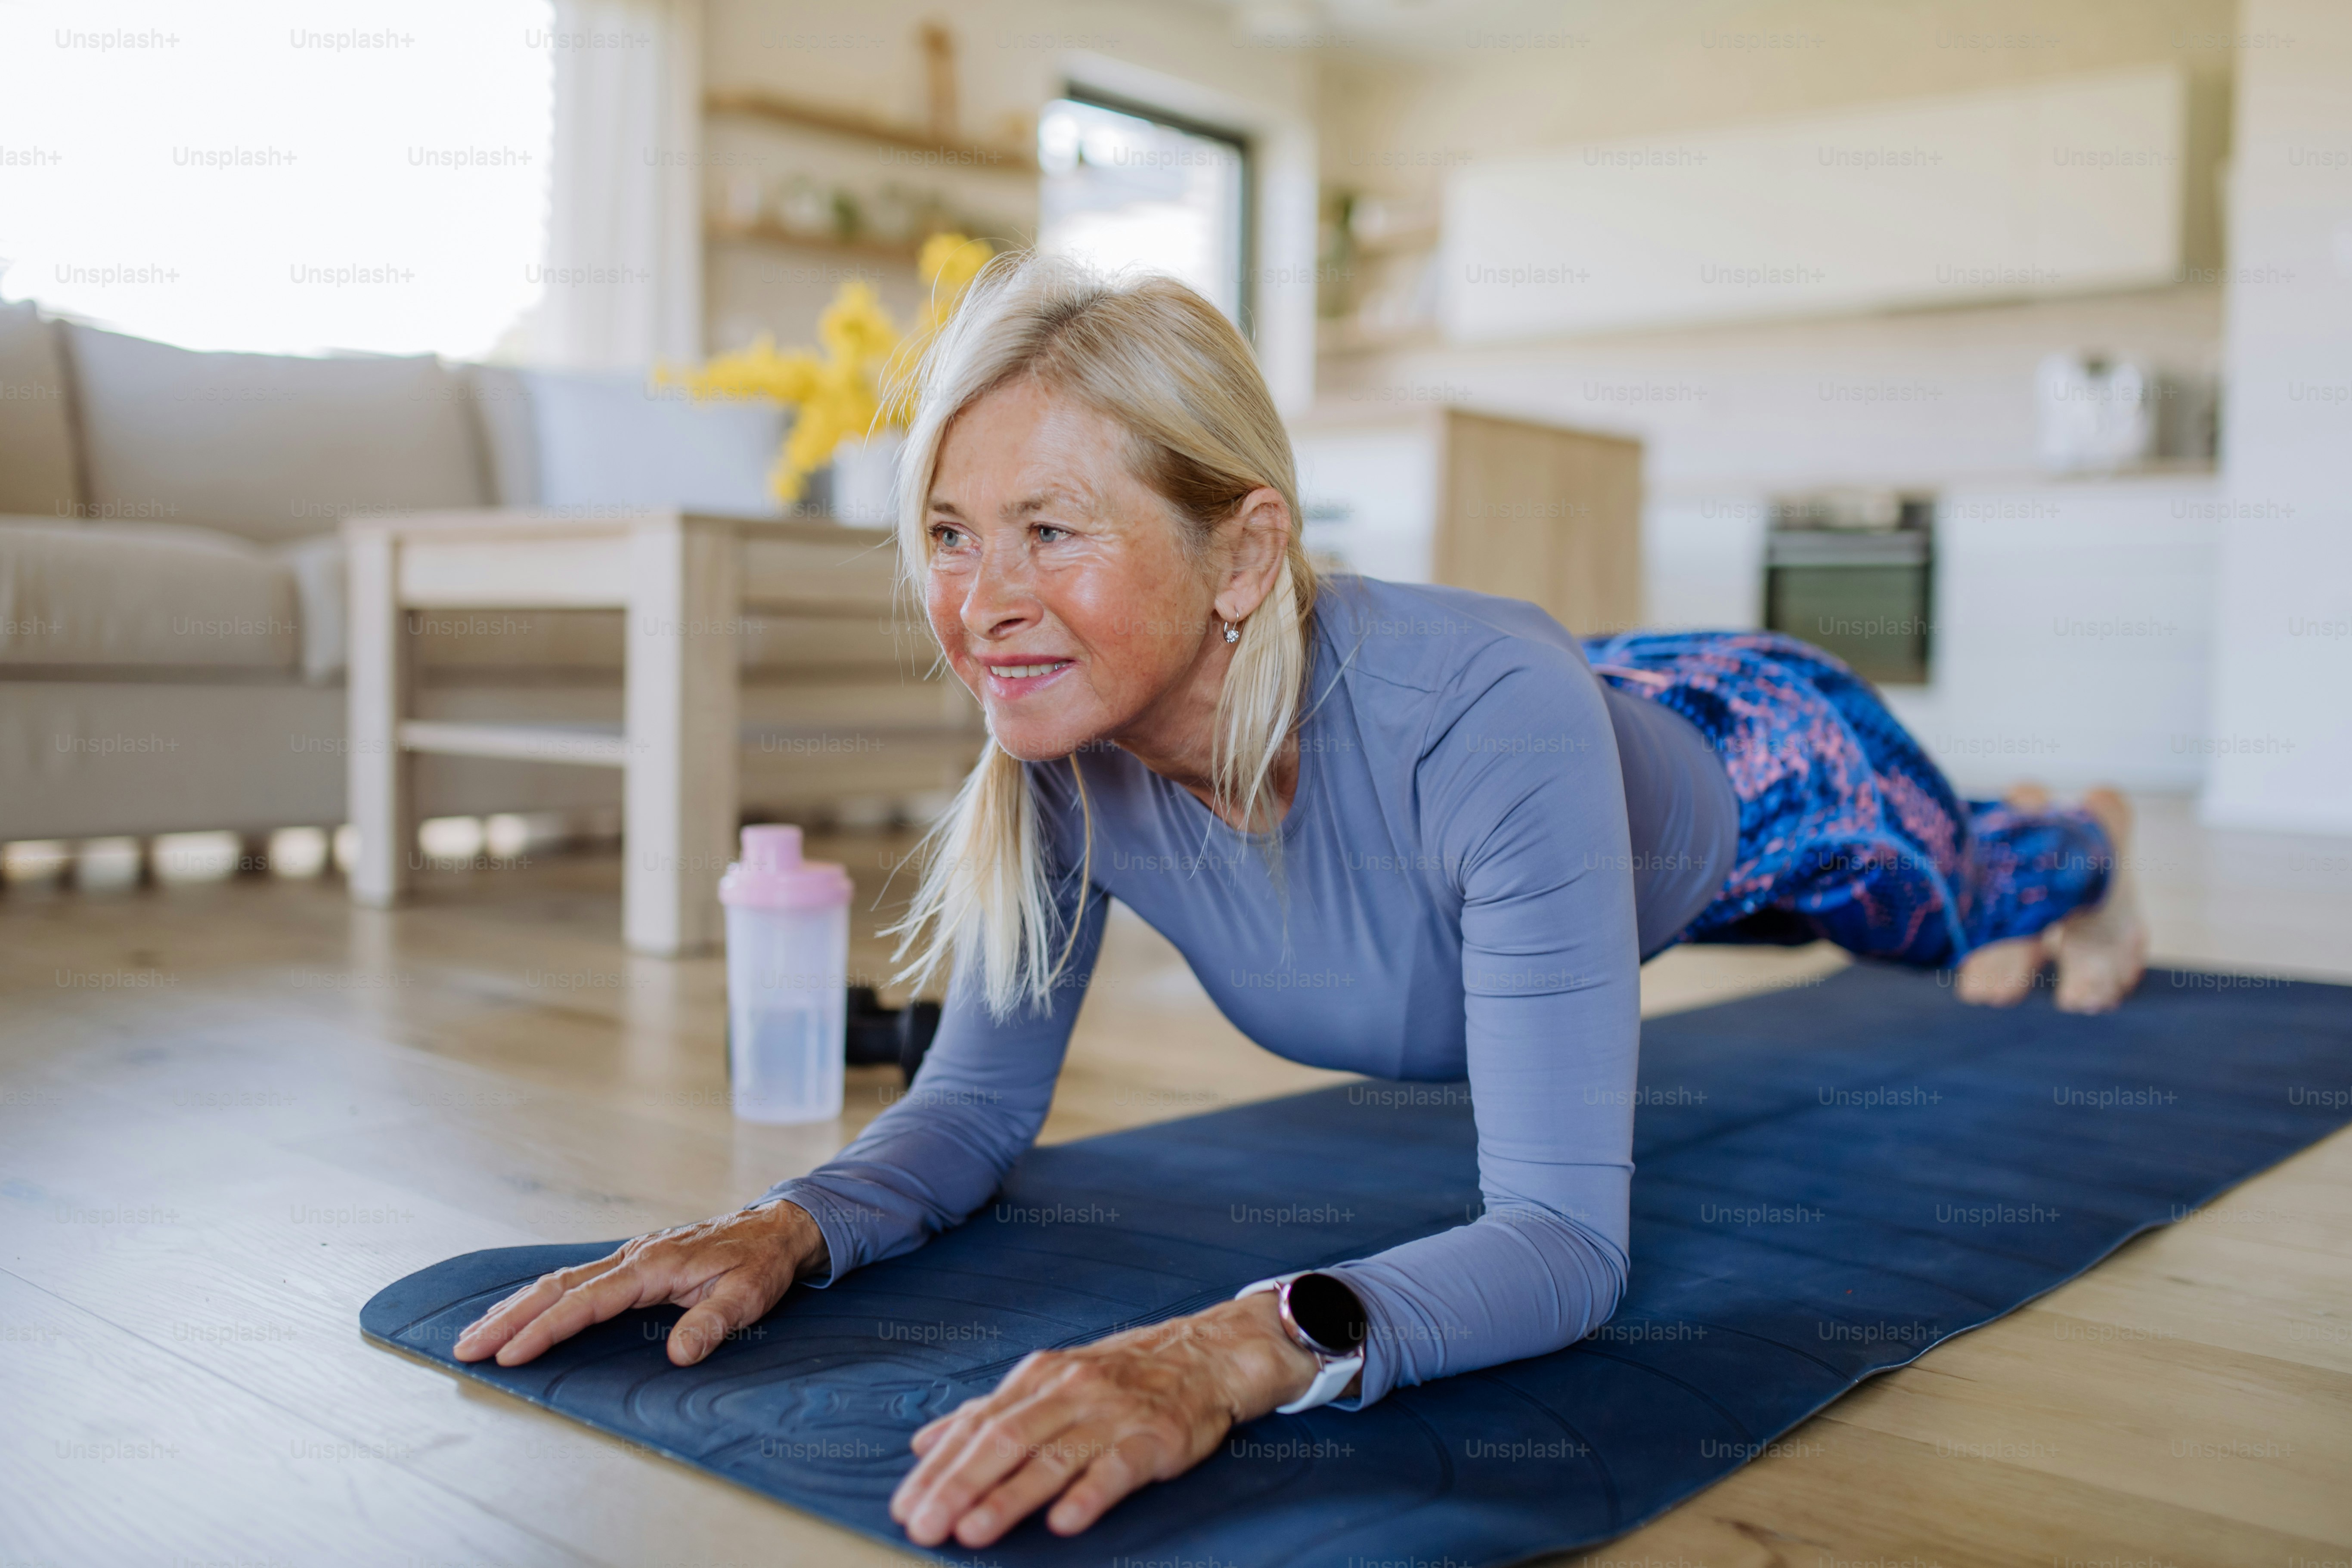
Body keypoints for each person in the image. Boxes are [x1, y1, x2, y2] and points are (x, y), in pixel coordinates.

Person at [452, 256, 2146, 1549]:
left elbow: (1562, 1241)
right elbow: (971, 1103)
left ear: (1243, 555)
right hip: (1577, 752)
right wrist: (780, 1222)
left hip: (1765, 764)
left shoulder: (1481, 711)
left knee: (1964, 906)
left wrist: (1223, 1351)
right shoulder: (1060, 744)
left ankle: (2084, 842)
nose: (983, 602)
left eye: (1051, 527)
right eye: (954, 534)